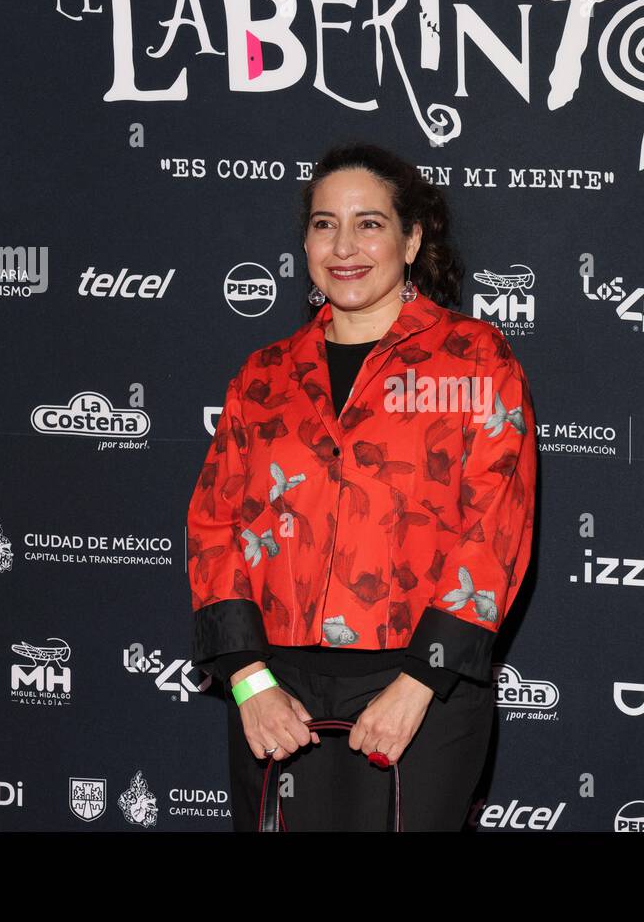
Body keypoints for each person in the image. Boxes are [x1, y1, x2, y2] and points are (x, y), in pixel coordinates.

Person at [186, 142, 537, 831]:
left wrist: (418, 684)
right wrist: (250, 682)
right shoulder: (264, 373)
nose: (344, 244)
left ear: (411, 239)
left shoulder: (475, 357)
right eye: (324, 223)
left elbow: (496, 525)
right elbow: (212, 524)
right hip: (275, 688)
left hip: (422, 685)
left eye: (369, 223)